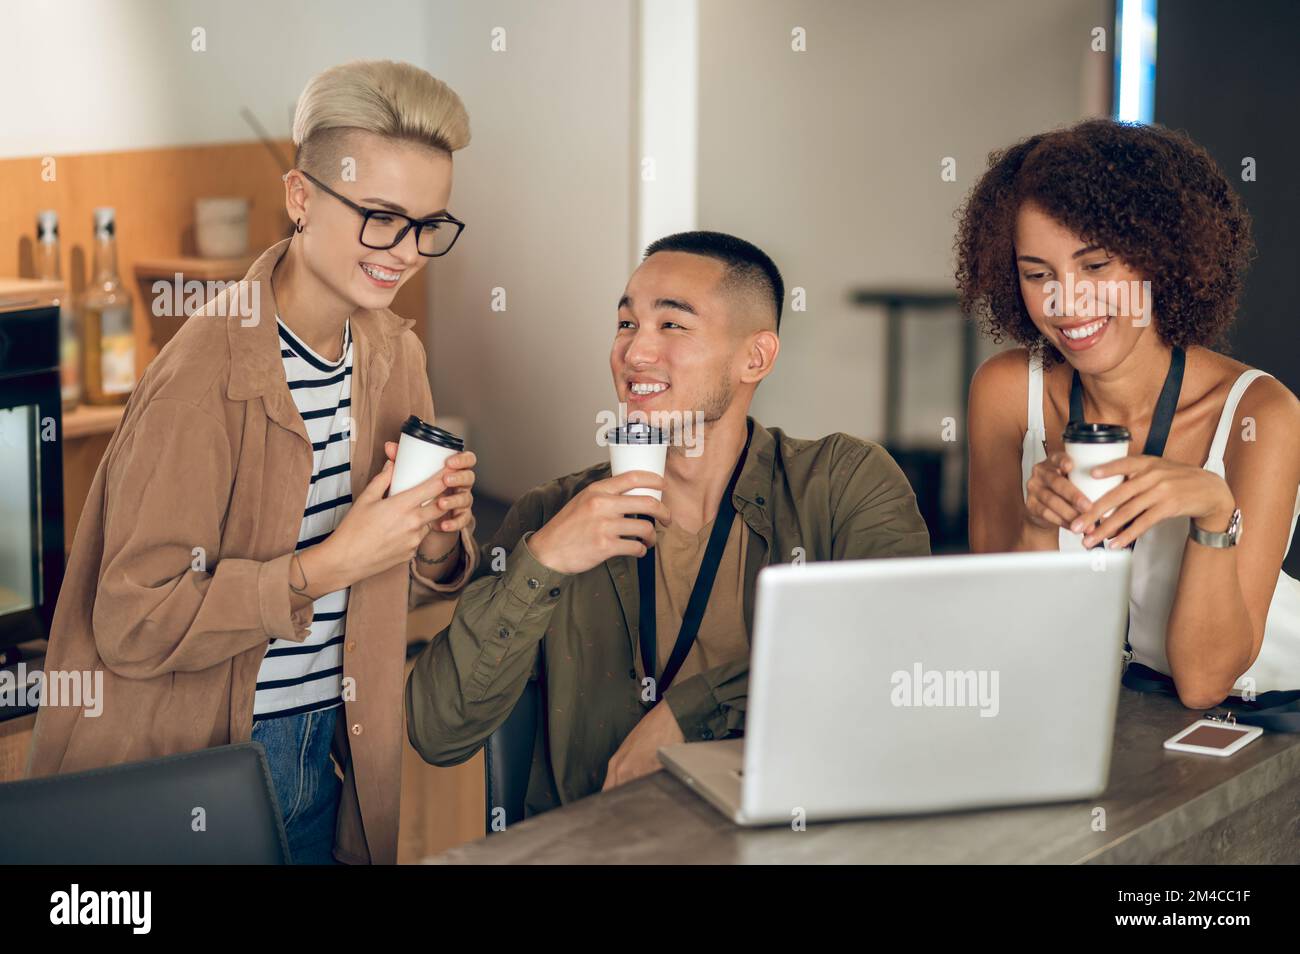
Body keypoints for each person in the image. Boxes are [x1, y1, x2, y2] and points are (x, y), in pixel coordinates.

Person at [28, 59, 480, 864]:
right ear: (300, 196)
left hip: (334, 750)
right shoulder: (203, 377)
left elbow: (398, 569)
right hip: (209, 767)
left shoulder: (392, 353)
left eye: (426, 224)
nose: (405, 251)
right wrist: (325, 566)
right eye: (379, 216)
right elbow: (131, 618)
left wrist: (437, 537)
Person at [405, 230, 930, 812]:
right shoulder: (550, 514)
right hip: (600, 846)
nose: (634, 353)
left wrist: (686, 714)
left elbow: (892, 659)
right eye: (626, 324)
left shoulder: (842, 484)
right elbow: (438, 731)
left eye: (672, 325)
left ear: (755, 357)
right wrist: (545, 560)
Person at [958, 118, 1300, 708]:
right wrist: (1038, 523)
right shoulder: (1007, 391)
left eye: (1095, 267)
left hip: (1258, 725)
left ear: (1159, 259)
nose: (1067, 301)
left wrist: (1215, 512)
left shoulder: (1259, 414)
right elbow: (1007, 642)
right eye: (1037, 274)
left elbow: (1203, 684)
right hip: (1099, 716)